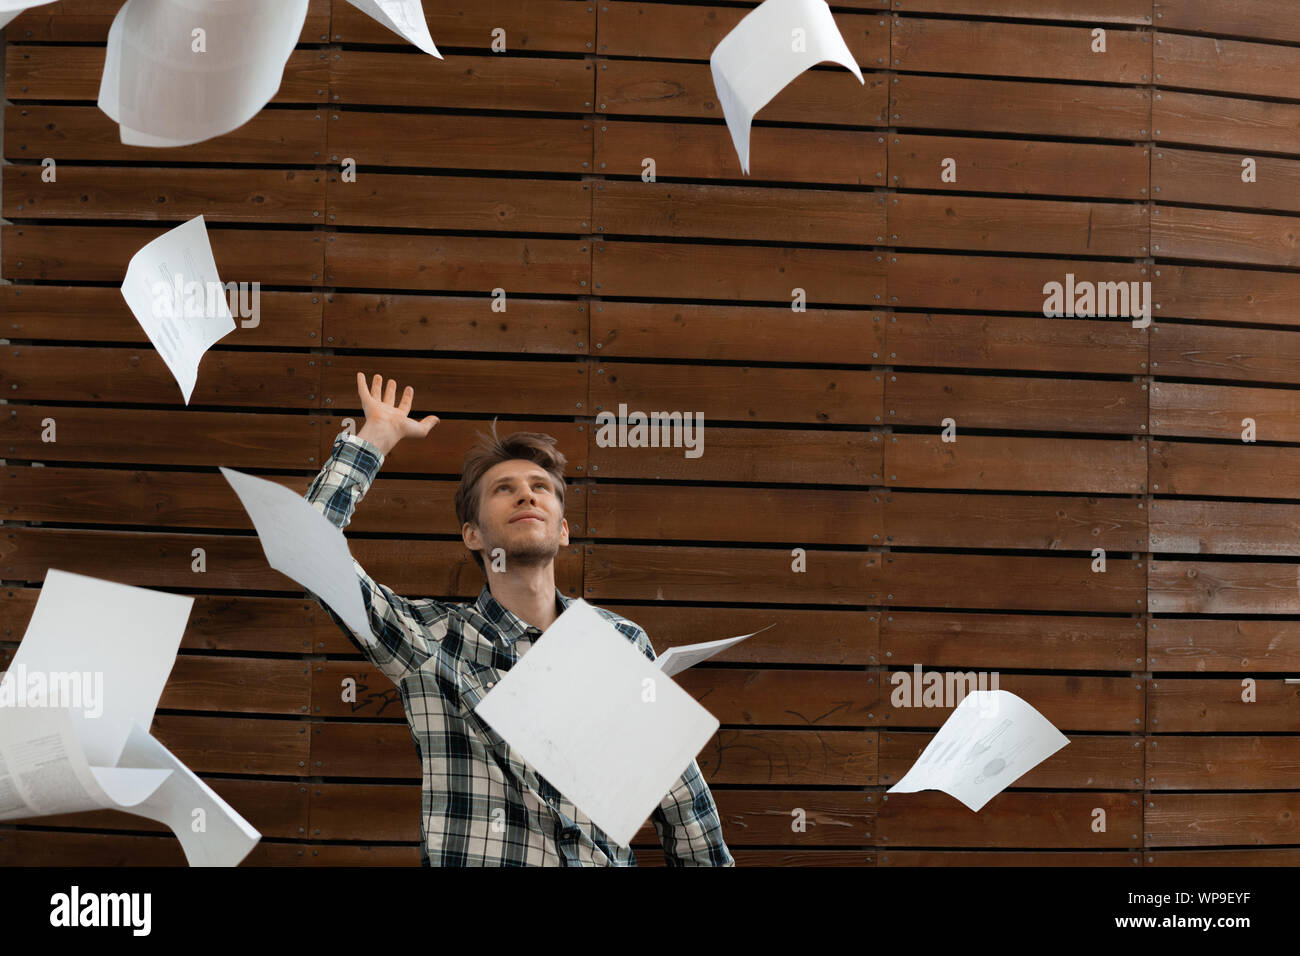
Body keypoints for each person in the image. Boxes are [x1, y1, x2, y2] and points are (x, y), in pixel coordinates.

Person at [303, 372, 735, 866]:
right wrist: (375, 437)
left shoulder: (620, 641)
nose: (527, 496)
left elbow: (684, 808)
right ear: (472, 535)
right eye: (503, 489)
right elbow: (313, 552)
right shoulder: (428, 640)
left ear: (564, 529)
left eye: (540, 488)